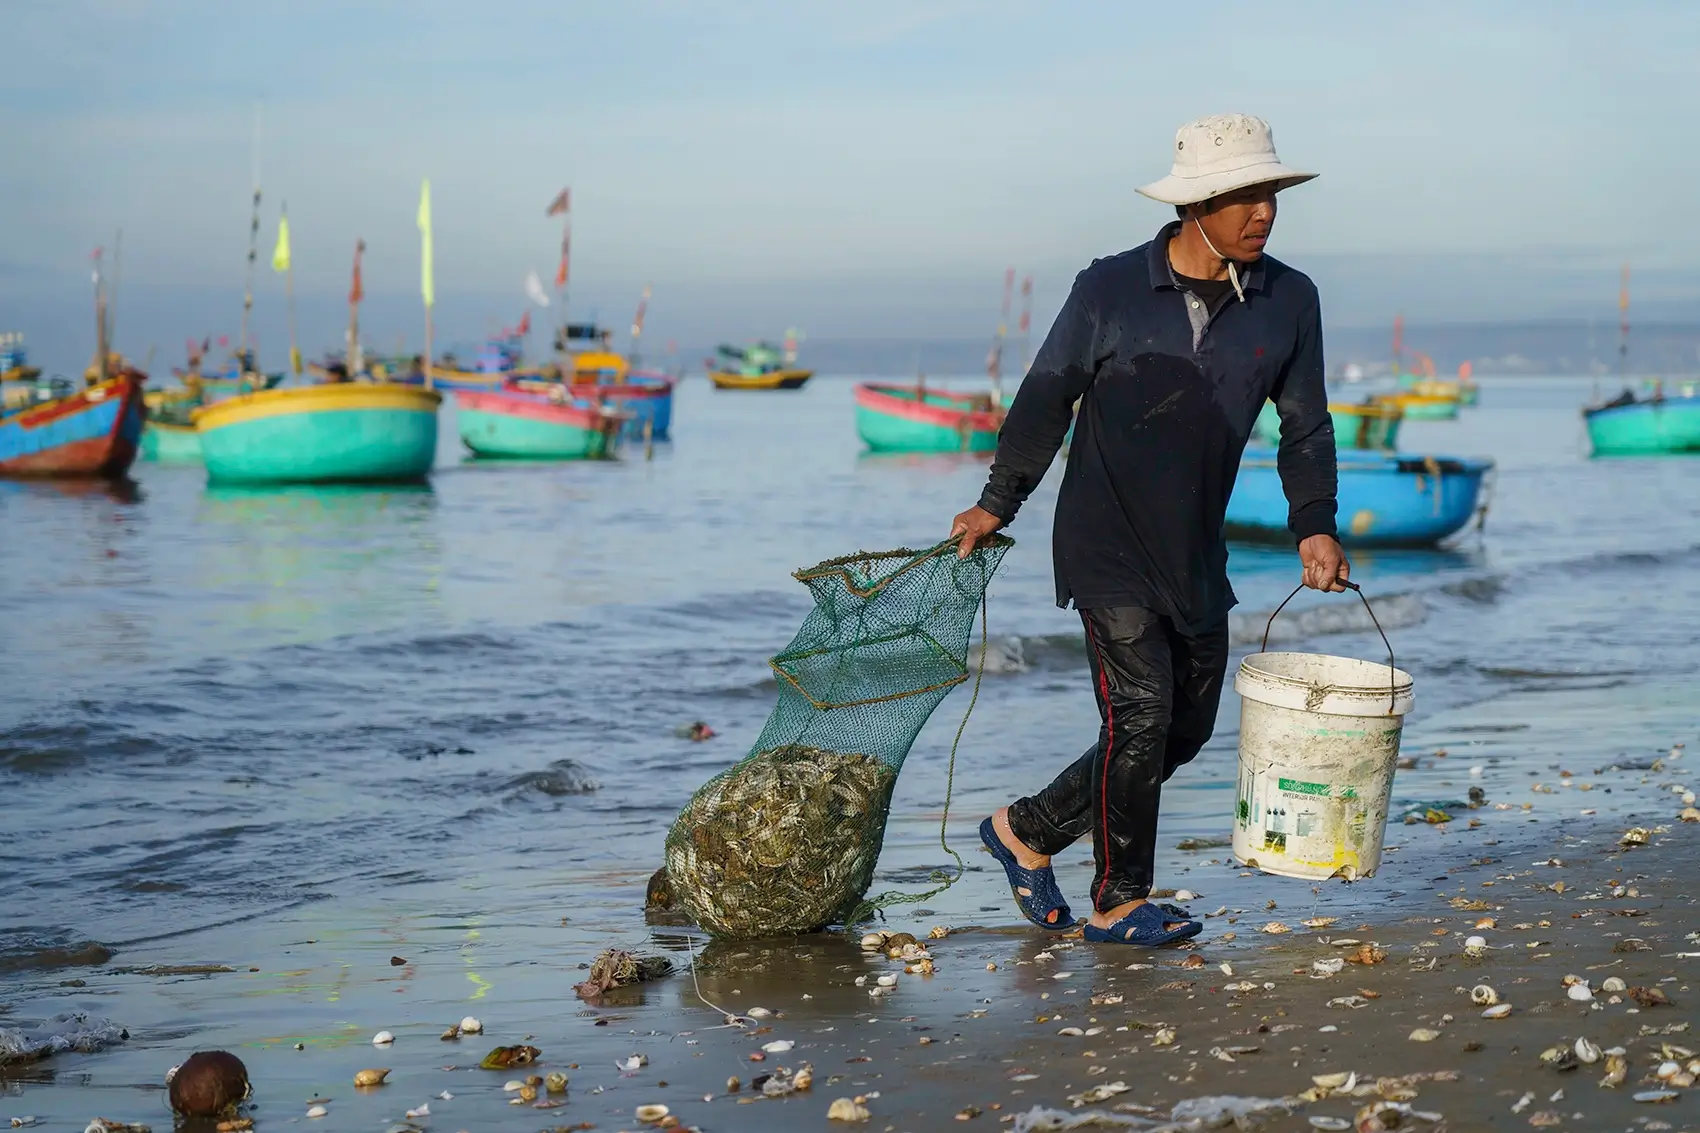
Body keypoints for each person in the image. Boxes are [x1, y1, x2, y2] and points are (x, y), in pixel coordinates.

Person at [951, 114, 1349, 947]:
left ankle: (1024, 830)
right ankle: (1119, 898)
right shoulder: (1108, 290)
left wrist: (1314, 524)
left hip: (1195, 548)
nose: (1264, 212)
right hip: (1105, 541)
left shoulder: (1291, 300)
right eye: (1244, 195)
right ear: (1196, 203)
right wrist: (998, 501)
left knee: (1184, 727)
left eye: (1270, 193)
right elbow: (1045, 396)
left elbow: (1305, 425)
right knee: (1139, 713)